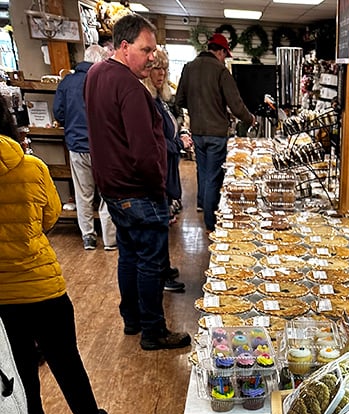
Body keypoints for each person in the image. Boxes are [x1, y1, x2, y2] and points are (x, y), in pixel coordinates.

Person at [0, 96, 113, 414]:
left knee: (20, 380)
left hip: (2, 301)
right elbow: (50, 216)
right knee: (66, 360)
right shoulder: (31, 167)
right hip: (43, 286)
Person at [84, 13, 190, 350]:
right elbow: (144, 151)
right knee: (150, 263)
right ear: (124, 46)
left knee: (129, 256)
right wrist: (160, 190)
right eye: (146, 50)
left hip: (113, 188)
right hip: (139, 190)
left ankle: (132, 319)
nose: (151, 57)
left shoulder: (96, 74)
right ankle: (153, 331)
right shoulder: (130, 87)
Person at [175, 31, 256, 232]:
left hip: (197, 131)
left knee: (203, 172)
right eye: (225, 55)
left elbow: (180, 100)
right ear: (220, 52)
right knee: (213, 177)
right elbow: (236, 105)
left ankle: (203, 205)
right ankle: (211, 222)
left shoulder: (189, 67)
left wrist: (197, 107)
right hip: (217, 133)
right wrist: (251, 119)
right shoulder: (221, 71)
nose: (224, 59)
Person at [53, 43, 117, 252]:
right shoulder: (105, 81)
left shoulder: (67, 82)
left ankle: (88, 236)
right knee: (107, 193)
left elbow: (59, 113)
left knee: (83, 194)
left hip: (77, 145)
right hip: (103, 147)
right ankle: (110, 239)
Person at [143, 47, 189, 293]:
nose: (161, 74)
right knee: (158, 228)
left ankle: (164, 267)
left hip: (166, 169)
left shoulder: (158, 99)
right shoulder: (147, 101)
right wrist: (178, 144)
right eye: (156, 68)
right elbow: (155, 142)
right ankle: (160, 276)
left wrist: (179, 137)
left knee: (163, 224)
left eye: (164, 69)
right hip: (157, 174)